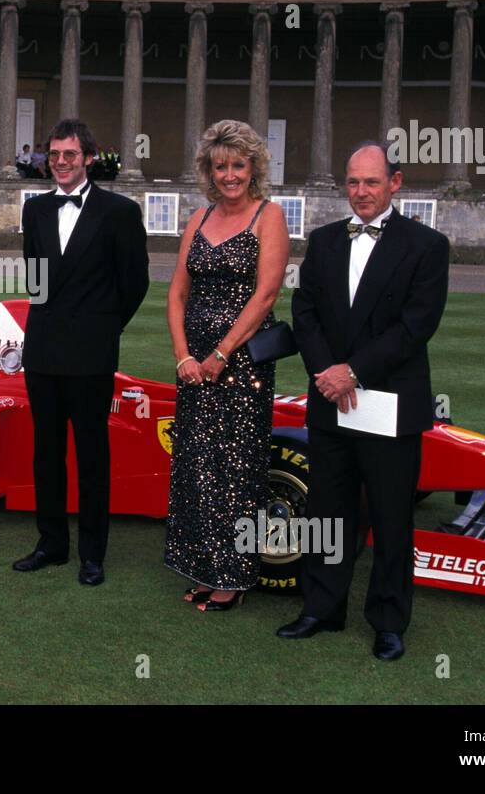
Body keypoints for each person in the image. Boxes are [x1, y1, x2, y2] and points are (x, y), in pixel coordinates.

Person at [277, 140, 449, 661]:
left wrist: (352, 371)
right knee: (330, 509)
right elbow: (303, 312)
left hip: (390, 402)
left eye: (371, 182)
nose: (361, 192)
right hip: (329, 398)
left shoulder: (427, 245)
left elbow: (416, 326)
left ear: (395, 183)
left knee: (393, 515)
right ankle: (321, 608)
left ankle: (389, 620)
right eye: (353, 182)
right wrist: (327, 374)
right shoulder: (325, 240)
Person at [12, 118, 149, 586]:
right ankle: (50, 543)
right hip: (45, 352)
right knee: (45, 452)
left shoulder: (119, 212)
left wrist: (103, 328)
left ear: (88, 157)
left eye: (70, 155)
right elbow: (35, 280)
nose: (61, 163)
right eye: (54, 155)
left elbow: (134, 284)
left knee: (92, 454)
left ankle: (93, 553)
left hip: (92, 354)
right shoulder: (35, 211)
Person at [164, 120, 289, 611]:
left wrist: (220, 355)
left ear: (253, 167)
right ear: (209, 170)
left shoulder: (268, 216)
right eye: (221, 166)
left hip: (242, 367)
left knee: (236, 469)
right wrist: (184, 356)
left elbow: (266, 295)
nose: (230, 175)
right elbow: (177, 292)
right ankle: (202, 563)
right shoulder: (198, 218)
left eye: (238, 165)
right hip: (195, 367)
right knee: (197, 464)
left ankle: (233, 576)